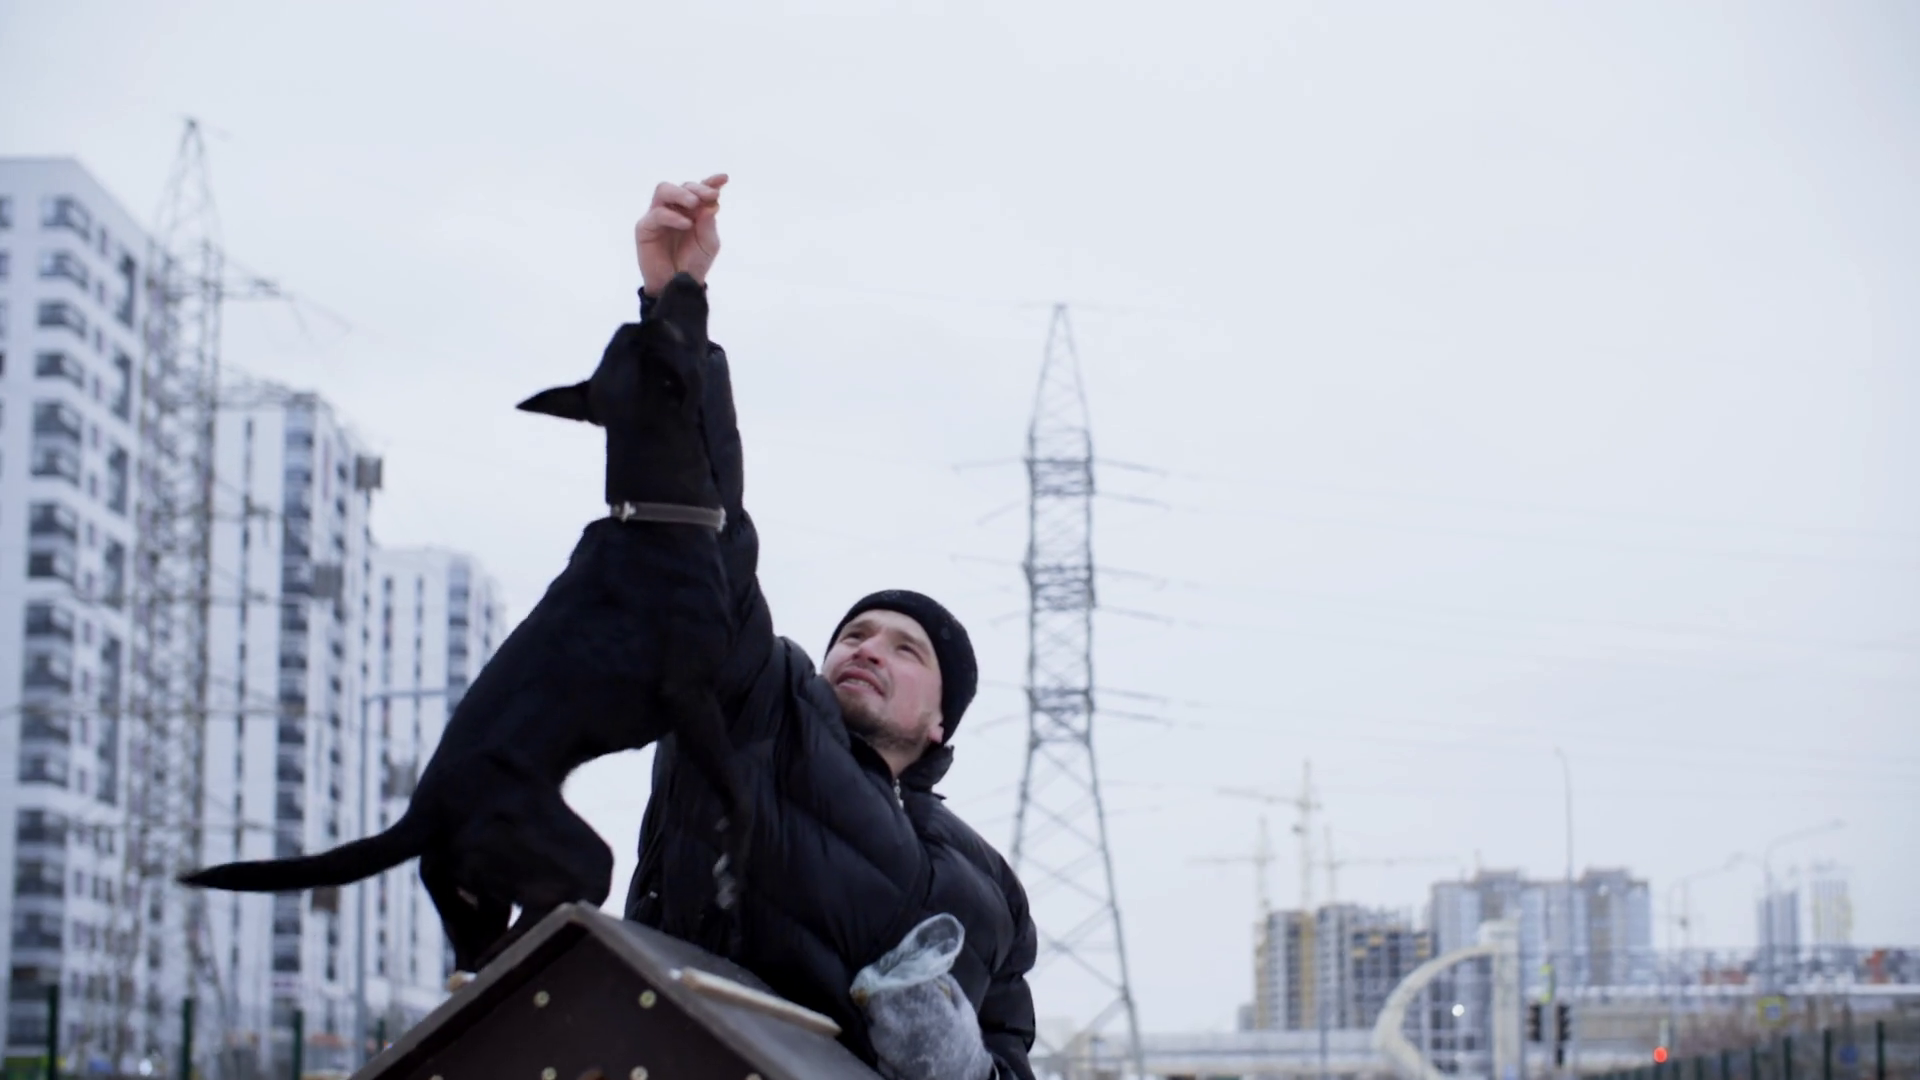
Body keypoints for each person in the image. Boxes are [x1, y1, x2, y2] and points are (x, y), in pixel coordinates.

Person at [620, 175, 1038, 1080]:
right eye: (857, 632)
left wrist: (954, 1060)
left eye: (905, 647)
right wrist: (674, 307)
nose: (867, 648)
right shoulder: (761, 709)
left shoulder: (991, 886)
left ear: (940, 721)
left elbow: (1010, 1062)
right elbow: (699, 524)